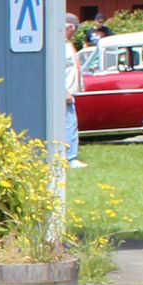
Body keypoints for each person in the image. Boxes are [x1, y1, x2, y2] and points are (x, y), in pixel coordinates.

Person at [64, 14, 85, 169]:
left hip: (70, 91)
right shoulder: (60, 45)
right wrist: (64, 91)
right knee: (69, 124)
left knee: (70, 123)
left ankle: (69, 156)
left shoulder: (68, 44)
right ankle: (70, 157)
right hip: (64, 93)